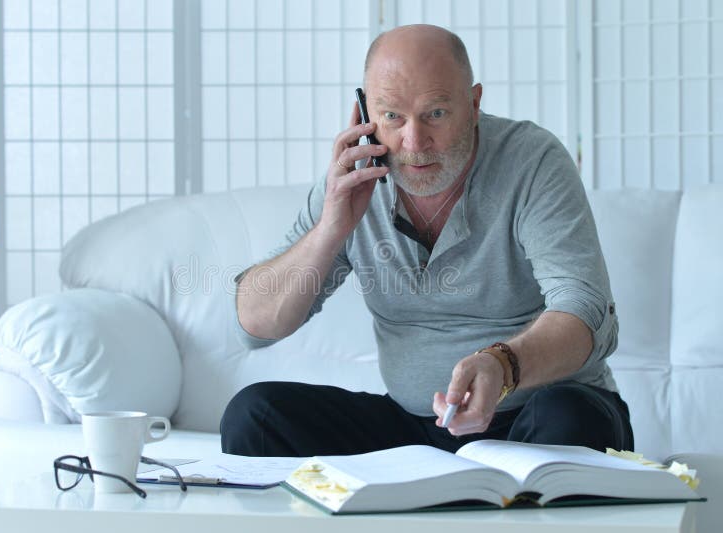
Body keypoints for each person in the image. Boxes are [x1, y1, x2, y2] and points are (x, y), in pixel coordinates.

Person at [220, 24, 633, 457]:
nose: (414, 143)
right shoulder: (351, 182)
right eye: (392, 116)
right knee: (255, 416)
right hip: (418, 429)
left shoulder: (532, 161)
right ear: (365, 114)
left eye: (435, 113)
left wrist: (503, 365)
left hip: (534, 419)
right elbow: (253, 327)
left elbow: (587, 311)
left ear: (473, 105)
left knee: (570, 418)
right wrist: (331, 228)